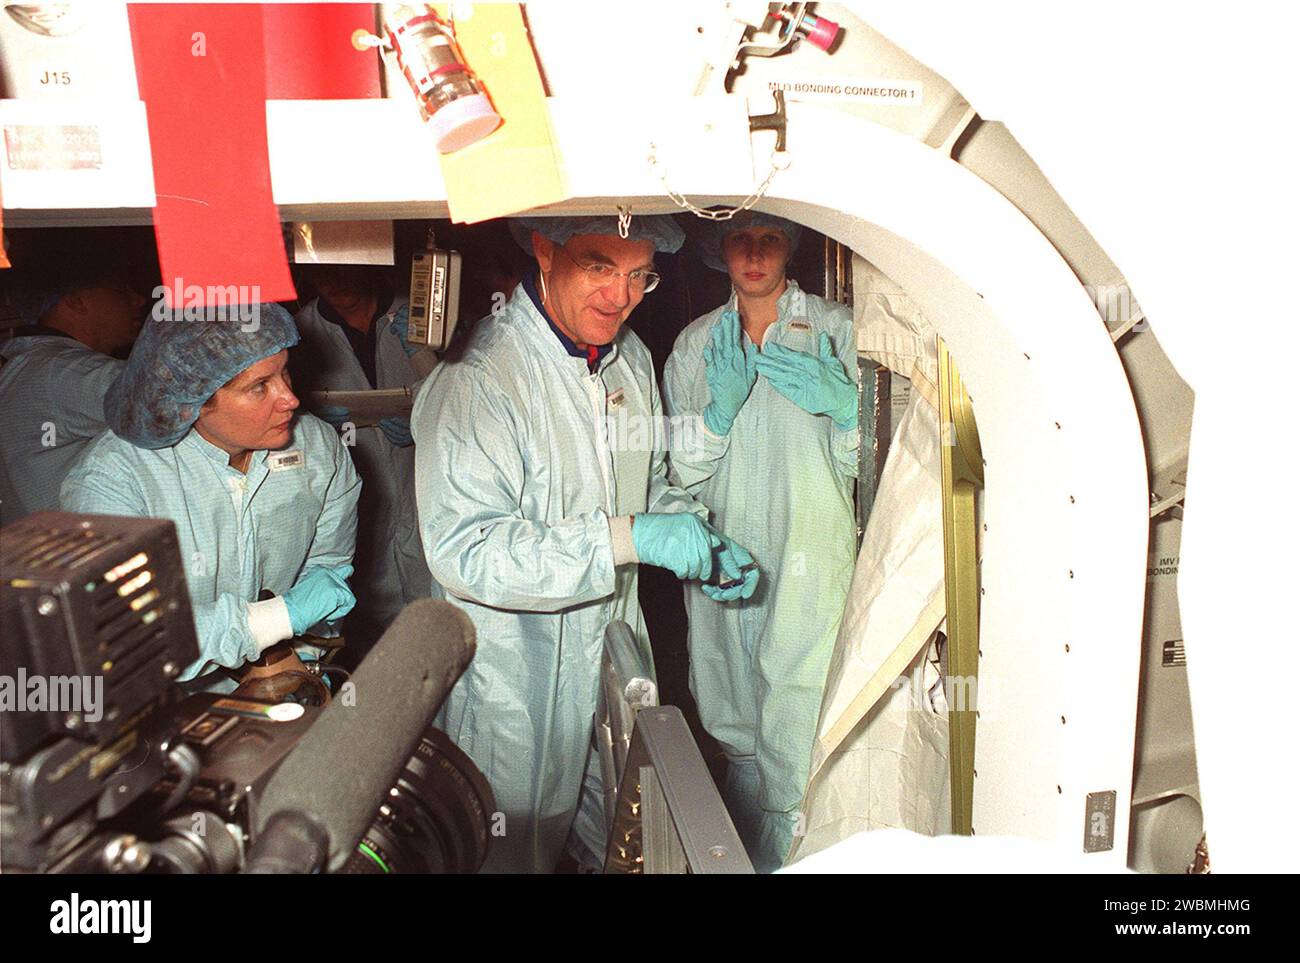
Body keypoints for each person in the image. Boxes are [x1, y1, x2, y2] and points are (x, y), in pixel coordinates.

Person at [411, 215, 758, 873]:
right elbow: (467, 549)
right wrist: (633, 537)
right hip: (515, 684)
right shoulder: (482, 378)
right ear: (545, 250)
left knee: (634, 848)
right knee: (509, 858)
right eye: (599, 267)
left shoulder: (629, 357)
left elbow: (647, 483)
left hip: (612, 658)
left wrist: (697, 537)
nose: (619, 297)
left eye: (638, 276)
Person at [663, 212, 858, 872]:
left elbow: (869, 467)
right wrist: (716, 416)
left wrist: (848, 410)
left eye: (769, 237)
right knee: (731, 723)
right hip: (723, 568)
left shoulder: (834, 330)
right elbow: (675, 476)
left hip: (809, 563)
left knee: (796, 733)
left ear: (791, 244)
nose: (753, 253)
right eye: (740, 238)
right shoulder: (695, 346)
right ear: (720, 247)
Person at [61, 302, 361, 688]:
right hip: (161, 700)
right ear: (192, 402)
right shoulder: (112, 482)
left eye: (285, 373)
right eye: (259, 387)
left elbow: (326, 569)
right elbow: (135, 636)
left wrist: (299, 661)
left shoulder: (316, 447)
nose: (290, 399)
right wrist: (280, 617)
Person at [293, 265, 430, 649]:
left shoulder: (418, 314)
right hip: (355, 488)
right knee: (376, 620)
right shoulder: (302, 330)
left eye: (342, 269)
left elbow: (466, 398)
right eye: (320, 273)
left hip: (422, 482)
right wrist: (310, 420)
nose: (334, 281)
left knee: (436, 610)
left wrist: (424, 415)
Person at [0, 267, 145, 525]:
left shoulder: (26, 361)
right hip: (72, 551)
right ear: (77, 302)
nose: (138, 300)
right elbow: (168, 393)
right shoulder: (62, 370)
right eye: (120, 291)